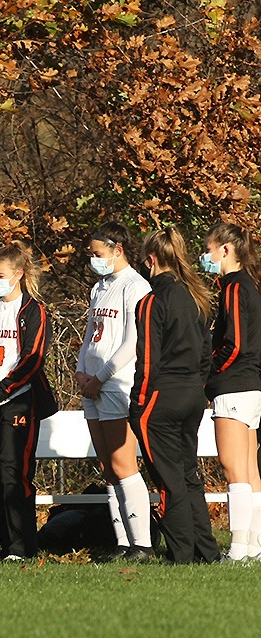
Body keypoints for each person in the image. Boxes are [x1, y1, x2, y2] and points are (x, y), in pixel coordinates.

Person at [129, 227, 220, 564]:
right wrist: (198, 386)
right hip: (192, 394)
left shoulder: (152, 301)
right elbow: (206, 353)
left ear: (151, 260)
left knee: (169, 479)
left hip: (161, 396)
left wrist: (138, 402)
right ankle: (206, 551)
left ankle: (181, 553)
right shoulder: (196, 296)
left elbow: (148, 359)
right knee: (187, 474)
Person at [0, 242, 57, 560]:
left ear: (18, 274)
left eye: (0, 276)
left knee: (13, 472)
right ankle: (5, 544)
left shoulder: (33, 311)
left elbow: (32, 358)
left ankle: (22, 546)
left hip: (18, 401)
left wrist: (1, 392)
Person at [75, 222, 154, 561]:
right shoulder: (99, 287)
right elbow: (91, 333)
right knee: (107, 467)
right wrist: (81, 371)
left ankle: (143, 544)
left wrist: (101, 376)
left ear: (117, 250)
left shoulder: (135, 285)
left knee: (123, 464)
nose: (94, 260)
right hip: (91, 384)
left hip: (117, 384)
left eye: (98, 254)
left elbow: (133, 341)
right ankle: (123, 542)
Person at [200, 222, 261, 561]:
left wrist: (209, 373)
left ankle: (238, 548)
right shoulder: (247, 284)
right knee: (249, 469)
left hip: (234, 385)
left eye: (207, 249)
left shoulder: (235, 287)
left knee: (233, 468)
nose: (204, 256)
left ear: (225, 250)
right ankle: (254, 545)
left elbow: (234, 344)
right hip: (250, 387)